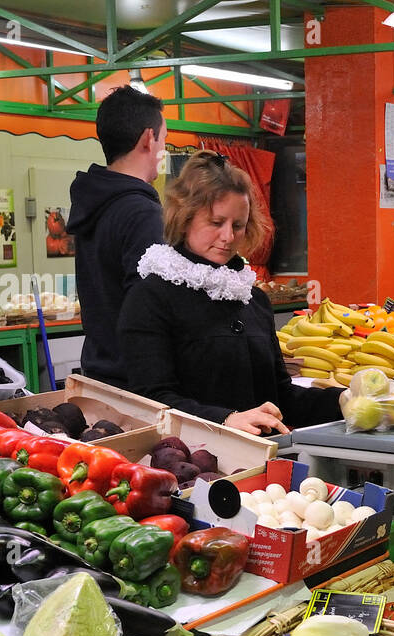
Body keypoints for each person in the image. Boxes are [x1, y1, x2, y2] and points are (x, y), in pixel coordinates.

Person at [118, 152, 342, 434]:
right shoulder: (150, 299)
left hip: (266, 459)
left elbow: (282, 397)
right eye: (216, 222)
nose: (228, 236)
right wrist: (225, 419)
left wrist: (343, 401)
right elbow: (153, 401)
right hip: (195, 466)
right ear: (185, 217)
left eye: (237, 225)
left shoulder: (253, 300)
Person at [67, 84, 167, 388]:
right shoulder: (142, 212)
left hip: (99, 371)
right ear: (149, 139)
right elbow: (150, 310)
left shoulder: (94, 202)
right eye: (164, 139)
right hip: (137, 383)